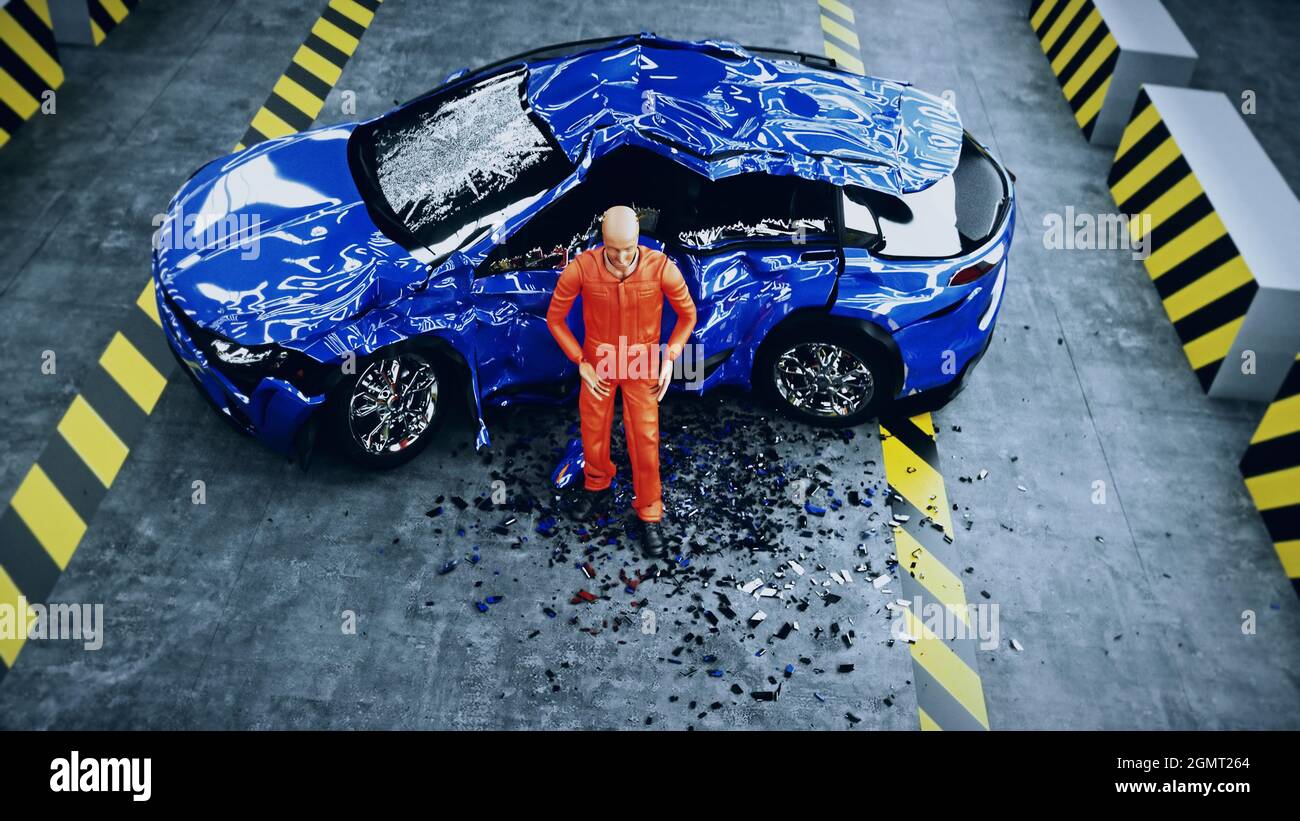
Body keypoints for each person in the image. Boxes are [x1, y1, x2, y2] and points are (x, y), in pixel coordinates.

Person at [546, 205, 696, 557]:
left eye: (629, 249)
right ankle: (596, 486)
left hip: (642, 362)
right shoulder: (582, 267)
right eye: (613, 251)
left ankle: (649, 512)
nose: (622, 258)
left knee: (645, 440)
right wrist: (580, 361)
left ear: (638, 239)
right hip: (599, 363)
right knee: (592, 431)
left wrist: (671, 358)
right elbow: (555, 319)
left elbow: (688, 315)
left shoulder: (660, 267)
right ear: (602, 242)